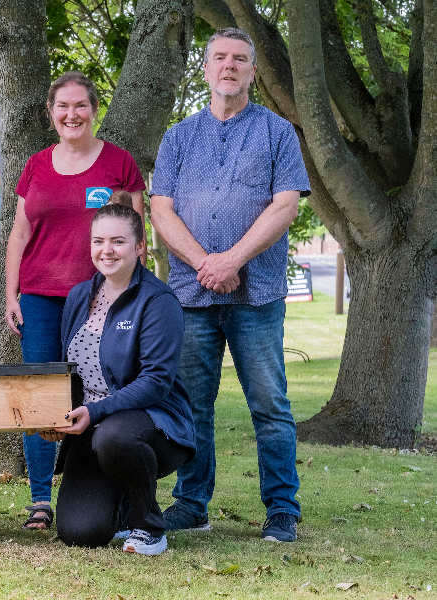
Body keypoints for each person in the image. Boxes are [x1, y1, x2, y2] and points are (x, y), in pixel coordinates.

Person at [150, 27, 311, 543]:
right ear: (205, 69)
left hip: (256, 294)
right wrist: (205, 263)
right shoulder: (179, 136)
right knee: (193, 404)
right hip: (191, 297)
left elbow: (285, 205)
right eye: (220, 57)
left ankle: (282, 509)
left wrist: (234, 259)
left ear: (253, 72)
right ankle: (192, 502)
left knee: (269, 405)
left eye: (240, 59)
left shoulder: (278, 133)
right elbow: (161, 208)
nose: (229, 66)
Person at [4, 72, 145, 530]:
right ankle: (41, 499)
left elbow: (136, 233)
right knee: (41, 394)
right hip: (41, 296)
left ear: (94, 109)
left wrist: (135, 295)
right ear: (51, 113)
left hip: (101, 297)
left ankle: (108, 481)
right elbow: (20, 233)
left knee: (106, 386)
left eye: (80, 105)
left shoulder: (120, 164)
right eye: (62, 107)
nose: (72, 114)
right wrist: (11, 293)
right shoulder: (36, 165)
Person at [47, 195, 195, 554]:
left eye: (118, 241)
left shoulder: (158, 301)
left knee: (114, 437)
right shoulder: (79, 295)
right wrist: (51, 414)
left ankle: (149, 527)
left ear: (140, 246)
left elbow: (156, 382)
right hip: (91, 429)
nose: (106, 251)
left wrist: (96, 412)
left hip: (150, 424)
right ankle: (125, 506)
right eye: (98, 241)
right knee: (79, 532)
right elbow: (68, 372)